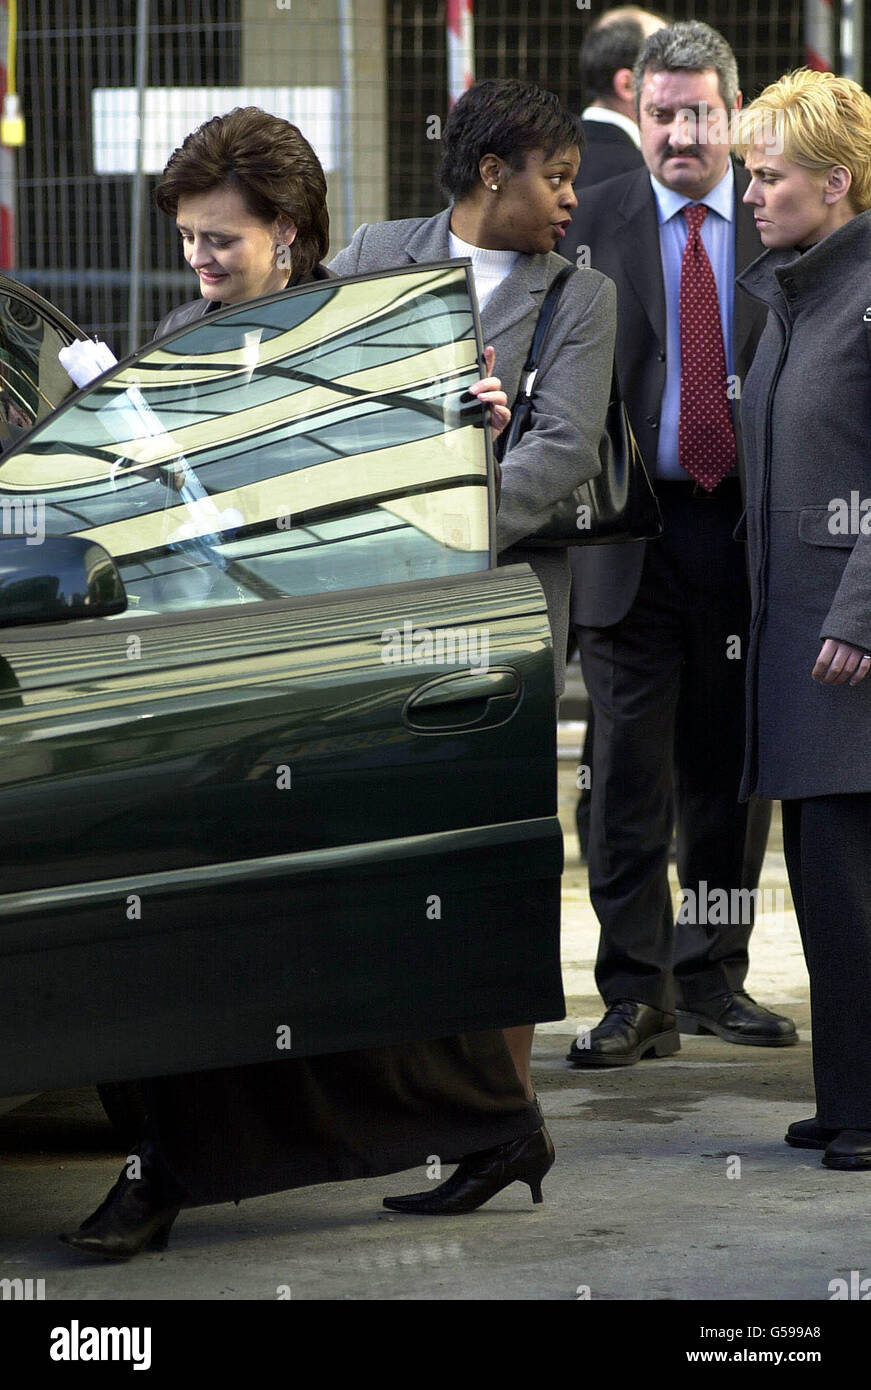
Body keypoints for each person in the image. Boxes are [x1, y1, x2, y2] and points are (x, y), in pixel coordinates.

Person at [58, 108, 557, 1261]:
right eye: (186, 239)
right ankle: (494, 1123)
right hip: (205, 690)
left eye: (218, 239)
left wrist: (471, 425)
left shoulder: (368, 336)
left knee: (265, 949)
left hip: (329, 686)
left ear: (287, 232)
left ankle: (159, 1180)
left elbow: (417, 513)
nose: (197, 261)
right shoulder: (185, 332)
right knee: (245, 952)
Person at [330, 77, 616, 1211]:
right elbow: (326, 407)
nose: (569, 203)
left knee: (496, 857)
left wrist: (436, 522)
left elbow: (561, 460)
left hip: (497, 617)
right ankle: (406, 1103)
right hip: (366, 613)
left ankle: (505, 1113)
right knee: (394, 860)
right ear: (491, 172)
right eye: (556, 178)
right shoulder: (371, 253)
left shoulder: (579, 297)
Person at [564, 21, 795, 1070]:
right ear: (638, 112)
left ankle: (712, 975)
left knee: (727, 777)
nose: (679, 133)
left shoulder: (774, 218)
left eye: (700, 112)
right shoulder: (592, 223)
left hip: (742, 537)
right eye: (661, 113)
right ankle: (633, 990)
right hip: (628, 536)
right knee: (623, 778)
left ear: (732, 117)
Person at [734, 70, 871, 1170]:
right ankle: (844, 1097)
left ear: (834, 183)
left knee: (854, 888)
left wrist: (862, 611)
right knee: (826, 892)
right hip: (799, 647)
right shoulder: (793, 292)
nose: (749, 193)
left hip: (849, 649)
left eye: (767, 175)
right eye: (746, 172)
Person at [564, 4, 666, 862]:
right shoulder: (580, 196)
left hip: (596, 543)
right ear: (632, 85)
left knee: (617, 747)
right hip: (616, 530)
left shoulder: (546, 171)